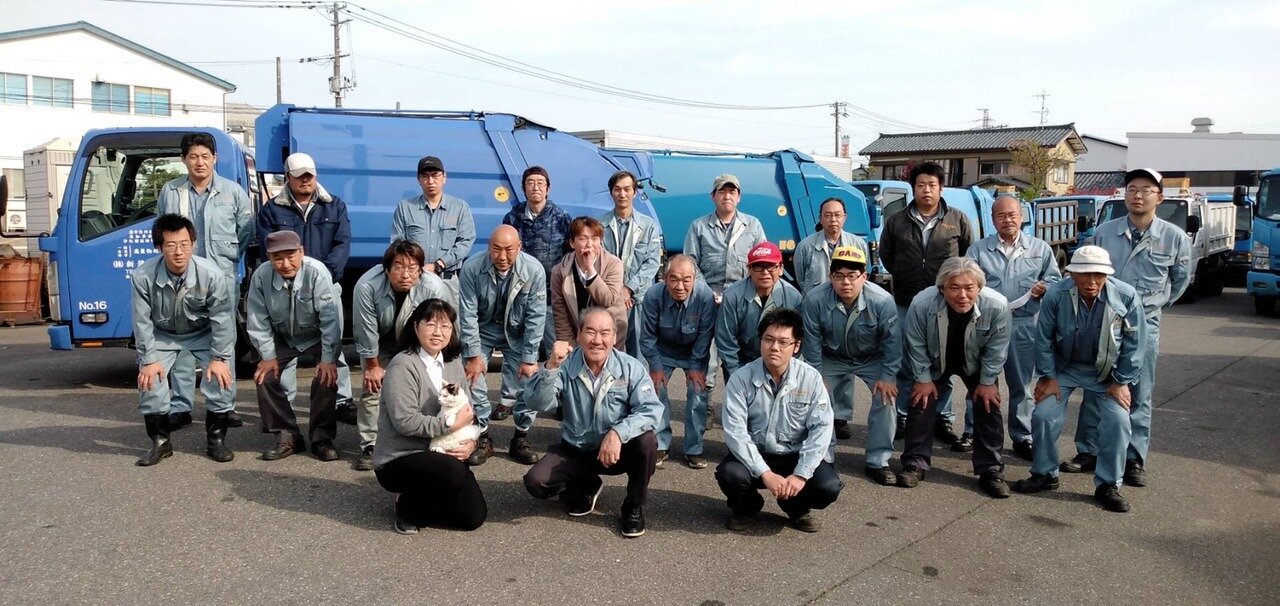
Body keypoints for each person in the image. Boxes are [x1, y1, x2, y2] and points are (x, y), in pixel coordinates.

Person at [1066, 168, 1191, 487]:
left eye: (1146, 190)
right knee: (1095, 387)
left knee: (1139, 391)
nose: (1137, 195)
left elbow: (1180, 280)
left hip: (1145, 323)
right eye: (1132, 189)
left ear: (1159, 198)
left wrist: (1154, 306)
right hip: (1102, 320)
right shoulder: (1104, 233)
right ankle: (1088, 451)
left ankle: (1133, 458)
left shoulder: (1174, 237)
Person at [1013, 246, 1144, 513]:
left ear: (1107, 275)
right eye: (1084, 275)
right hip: (1065, 367)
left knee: (1118, 421)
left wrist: (1121, 382)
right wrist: (1048, 376)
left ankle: (1108, 484)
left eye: (1099, 275)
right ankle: (1045, 473)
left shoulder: (1126, 296)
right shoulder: (1056, 295)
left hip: (1107, 373)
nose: (1091, 282)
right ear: (1071, 274)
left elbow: (1135, 344)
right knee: (1044, 415)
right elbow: (1044, 338)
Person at [523, 308, 663, 539]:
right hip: (577, 448)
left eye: (605, 333)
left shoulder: (630, 367)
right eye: (590, 332)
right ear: (578, 335)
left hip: (617, 451)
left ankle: (633, 505)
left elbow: (651, 410)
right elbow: (537, 403)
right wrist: (551, 367)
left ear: (614, 337)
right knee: (535, 482)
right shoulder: (563, 366)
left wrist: (618, 433)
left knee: (647, 442)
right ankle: (585, 486)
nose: (597, 340)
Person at [155, 132, 253, 431]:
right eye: (194, 156)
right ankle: (181, 406)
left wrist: (228, 259)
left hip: (220, 277)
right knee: (181, 341)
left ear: (215, 158)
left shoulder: (232, 192)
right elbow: (162, 229)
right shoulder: (171, 191)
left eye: (205, 156)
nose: (200, 162)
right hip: (180, 277)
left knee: (223, 339)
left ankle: (225, 405)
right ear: (184, 159)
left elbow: (246, 231)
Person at [716, 307, 842, 533]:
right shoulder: (740, 379)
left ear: (796, 346)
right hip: (756, 453)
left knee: (828, 486)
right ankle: (746, 507)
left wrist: (801, 475)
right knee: (730, 474)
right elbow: (736, 433)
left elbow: (821, 430)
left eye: (784, 342)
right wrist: (765, 473)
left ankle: (796, 507)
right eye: (768, 339)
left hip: (794, 455)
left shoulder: (811, 379)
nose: (774, 347)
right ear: (760, 341)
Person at [897, 257, 1012, 498]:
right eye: (954, 288)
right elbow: (915, 343)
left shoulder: (997, 305)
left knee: (988, 404)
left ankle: (991, 470)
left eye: (969, 288)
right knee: (920, 401)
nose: (962, 295)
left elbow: (997, 348)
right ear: (942, 289)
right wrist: (923, 379)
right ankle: (915, 463)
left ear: (979, 287)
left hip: (978, 362)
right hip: (935, 358)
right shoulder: (922, 303)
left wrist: (987, 381)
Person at [256, 152, 357, 425]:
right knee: (286, 342)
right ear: (287, 177)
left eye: (309, 175)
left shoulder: (334, 206)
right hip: (285, 285)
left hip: (325, 285)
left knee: (332, 341)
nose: (305, 180)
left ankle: (342, 401)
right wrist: (290, 271)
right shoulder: (272, 210)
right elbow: (268, 247)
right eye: (299, 176)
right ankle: (286, 404)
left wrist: (323, 276)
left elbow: (342, 244)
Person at [879, 161, 974, 445]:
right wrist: (906, 272)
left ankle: (941, 417)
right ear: (913, 189)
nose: (926, 190)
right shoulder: (896, 221)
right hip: (906, 300)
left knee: (943, 360)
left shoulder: (957, 219)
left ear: (941, 188)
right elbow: (886, 255)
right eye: (921, 185)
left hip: (945, 302)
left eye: (932, 185)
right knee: (907, 360)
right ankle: (904, 414)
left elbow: (967, 256)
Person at [131, 214, 236, 466]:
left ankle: (216, 440)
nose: (179, 252)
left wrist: (219, 358)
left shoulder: (211, 274)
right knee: (150, 382)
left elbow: (222, 319)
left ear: (193, 244)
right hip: (163, 335)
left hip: (202, 332)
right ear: (159, 247)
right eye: (171, 245)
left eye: (184, 244)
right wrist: (148, 360)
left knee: (220, 379)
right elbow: (141, 322)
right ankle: (160, 443)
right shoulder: (142, 276)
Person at [373, 298, 486, 533]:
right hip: (401, 456)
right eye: (431, 324)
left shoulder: (453, 363)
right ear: (416, 327)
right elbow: (404, 421)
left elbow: (468, 411)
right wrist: (450, 425)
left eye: (445, 326)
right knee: (452, 473)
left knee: (473, 518)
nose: (438, 332)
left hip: (442, 452)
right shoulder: (402, 365)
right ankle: (405, 505)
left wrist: (471, 443)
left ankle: (432, 493)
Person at [961, 195, 1061, 456]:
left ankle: (1022, 435)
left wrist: (1045, 287)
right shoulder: (979, 250)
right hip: (986, 325)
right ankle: (973, 431)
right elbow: (967, 280)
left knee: (1021, 385)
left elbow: (1055, 280)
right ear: (993, 220)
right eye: (1001, 215)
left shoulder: (1040, 249)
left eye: (1012, 214)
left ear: (1022, 217)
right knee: (981, 381)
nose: (1007, 220)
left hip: (1023, 325)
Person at [799, 246, 901, 485]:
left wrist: (888, 377)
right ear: (830, 277)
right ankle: (824, 458)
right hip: (832, 357)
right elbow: (811, 342)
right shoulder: (814, 299)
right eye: (839, 276)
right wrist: (816, 375)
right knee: (817, 398)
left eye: (853, 276)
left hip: (871, 358)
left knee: (886, 399)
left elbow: (893, 342)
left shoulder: (882, 301)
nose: (846, 282)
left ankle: (878, 461)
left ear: (864, 277)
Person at [349, 240, 450, 471]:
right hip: (380, 342)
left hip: (416, 342)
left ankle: (423, 439)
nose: (406, 274)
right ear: (386, 269)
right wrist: (372, 366)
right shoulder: (366, 286)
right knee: (373, 389)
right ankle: (371, 444)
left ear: (421, 270)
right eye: (398, 267)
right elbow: (365, 330)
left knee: (425, 387)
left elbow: (439, 327)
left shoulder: (434, 287)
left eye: (413, 268)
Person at [245, 231, 345, 461]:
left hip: (316, 335)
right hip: (282, 336)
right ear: (269, 257)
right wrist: (267, 355)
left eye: (291, 256)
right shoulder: (261, 276)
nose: (285, 264)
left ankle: (321, 439)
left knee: (326, 377)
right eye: (277, 258)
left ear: (302, 252)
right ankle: (287, 436)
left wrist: (328, 359)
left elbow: (330, 320)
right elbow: (257, 319)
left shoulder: (317, 272)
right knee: (264, 377)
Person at [458, 226, 548, 466]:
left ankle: (521, 437)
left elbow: (536, 317)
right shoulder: (471, 268)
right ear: (488, 247)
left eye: (509, 250)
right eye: (496, 249)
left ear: (519, 247)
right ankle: (483, 436)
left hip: (518, 333)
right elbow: (467, 314)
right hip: (483, 331)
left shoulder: (534, 270)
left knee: (530, 382)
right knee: (472, 379)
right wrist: (473, 355)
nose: (502, 256)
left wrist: (529, 358)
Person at [640, 255, 716, 469]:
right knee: (656, 389)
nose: (679, 286)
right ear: (664, 278)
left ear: (694, 279)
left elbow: (705, 334)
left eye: (686, 279)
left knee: (697, 390)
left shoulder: (705, 296)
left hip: (694, 351)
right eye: (673, 279)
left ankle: (694, 448)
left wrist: (696, 366)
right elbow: (647, 336)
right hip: (663, 350)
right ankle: (660, 443)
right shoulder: (653, 295)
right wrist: (655, 367)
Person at [502, 165, 572, 362]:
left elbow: (570, 256)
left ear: (548, 188)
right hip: (521, 292)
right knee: (522, 352)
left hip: (552, 296)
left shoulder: (562, 217)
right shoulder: (513, 217)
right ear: (523, 188)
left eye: (541, 183)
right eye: (530, 183)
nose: (535, 187)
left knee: (555, 351)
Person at [390, 155, 476, 302]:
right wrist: (414, 267)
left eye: (435, 175)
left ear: (444, 177)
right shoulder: (405, 208)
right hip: (415, 281)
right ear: (418, 180)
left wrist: (439, 264)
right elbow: (397, 244)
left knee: (447, 317)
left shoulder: (460, 208)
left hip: (447, 281)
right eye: (425, 176)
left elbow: (466, 241)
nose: (430, 181)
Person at [600, 170, 663, 359]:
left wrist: (628, 289)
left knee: (639, 352)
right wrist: (616, 290)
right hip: (609, 298)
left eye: (627, 189)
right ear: (611, 192)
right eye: (617, 189)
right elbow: (598, 261)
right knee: (609, 350)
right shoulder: (600, 225)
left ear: (634, 192)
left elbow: (652, 262)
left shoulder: (648, 225)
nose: (622, 194)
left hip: (638, 299)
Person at [716, 241, 802, 379]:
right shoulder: (732, 296)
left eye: (771, 266)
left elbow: (797, 339)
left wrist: (782, 369)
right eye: (758, 267)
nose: (765, 272)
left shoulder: (793, 297)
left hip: (778, 359)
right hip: (742, 359)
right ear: (749, 269)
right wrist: (737, 374)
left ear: (781, 268)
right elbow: (726, 340)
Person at [550, 216, 627, 345]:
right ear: (572, 243)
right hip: (578, 336)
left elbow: (607, 300)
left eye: (594, 239)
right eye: (583, 239)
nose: (589, 244)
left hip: (609, 337)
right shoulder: (559, 271)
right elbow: (560, 315)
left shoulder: (613, 264)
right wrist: (569, 348)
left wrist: (590, 270)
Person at [792, 197, 869, 293]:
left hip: (847, 299)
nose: (833, 219)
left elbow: (861, 275)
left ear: (844, 217)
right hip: (817, 300)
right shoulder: (805, 246)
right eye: (828, 215)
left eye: (837, 215)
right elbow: (801, 279)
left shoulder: (858, 244)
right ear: (820, 219)